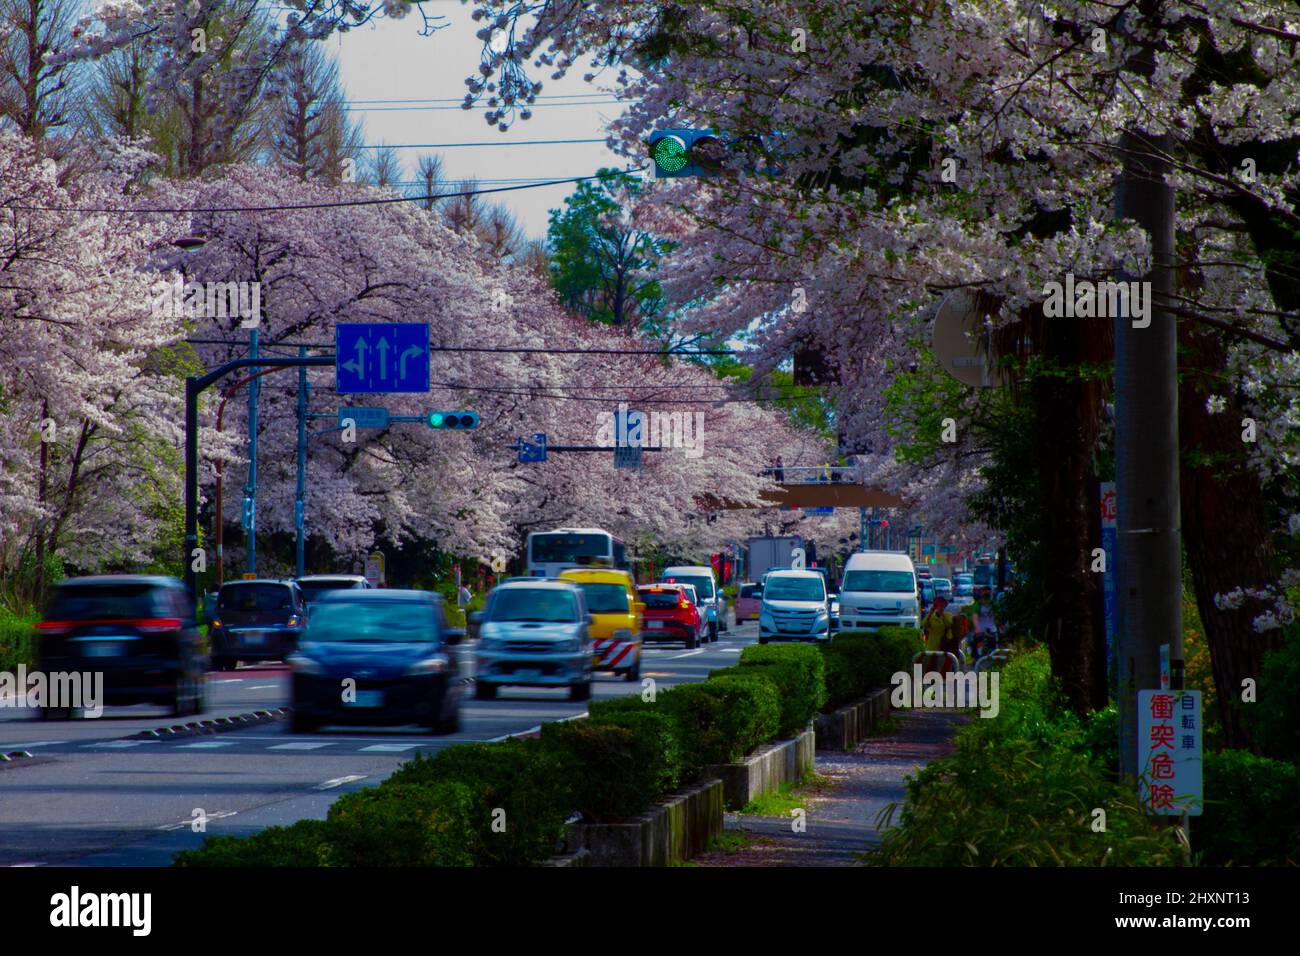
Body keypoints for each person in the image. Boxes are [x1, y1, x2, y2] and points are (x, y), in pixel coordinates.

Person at [921, 596, 957, 672]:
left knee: (944, 667)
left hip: (945, 646)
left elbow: (950, 624)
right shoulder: (931, 616)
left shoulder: (948, 615)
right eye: (938, 604)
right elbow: (924, 624)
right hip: (932, 645)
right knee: (931, 667)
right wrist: (930, 613)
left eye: (942, 604)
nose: (940, 606)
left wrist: (942, 615)